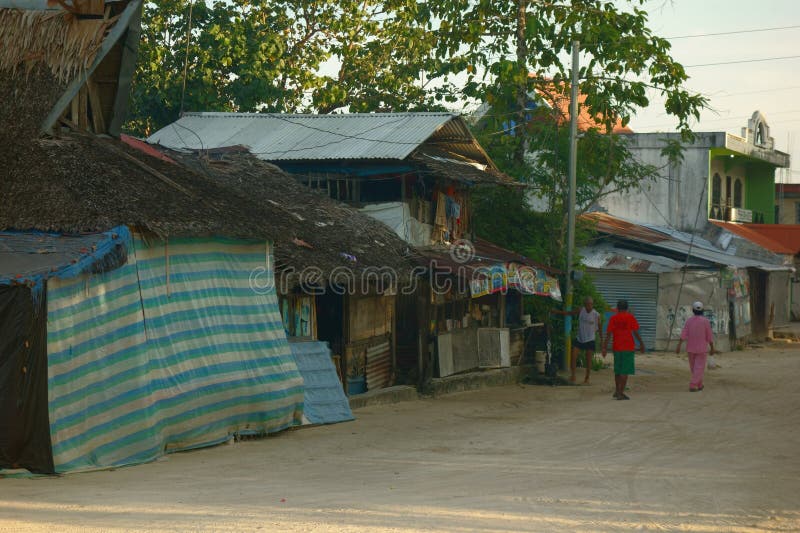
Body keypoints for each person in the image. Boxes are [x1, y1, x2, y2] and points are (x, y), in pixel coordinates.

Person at [551, 297, 602, 384]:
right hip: (580, 338)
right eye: (587, 304)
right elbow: (569, 313)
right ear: (584, 305)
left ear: (592, 305)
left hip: (590, 339)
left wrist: (602, 340)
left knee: (588, 360)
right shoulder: (581, 310)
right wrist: (557, 312)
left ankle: (587, 377)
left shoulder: (596, 315)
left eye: (590, 304)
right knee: (573, 356)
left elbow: (599, 328)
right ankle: (573, 375)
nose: (589, 306)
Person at [601, 300, 645, 400]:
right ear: (627, 308)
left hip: (616, 347)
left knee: (618, 370)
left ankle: (617, 391)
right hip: (628, 347)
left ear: (617, 308)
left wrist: (604, 347)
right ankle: (621, 393)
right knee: (625, 370)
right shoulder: (630, 317)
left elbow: (608, 334)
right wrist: (641, 344)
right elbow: (636, 332)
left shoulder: (613, 318)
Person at [675, 301, 715, 392]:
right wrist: (712, 347)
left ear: (693, 310)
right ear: (703, 310)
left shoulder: (689, 321)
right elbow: (709, 336)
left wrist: (678, 346)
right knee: (699, 368)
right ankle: (693, 385)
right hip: (701, 349)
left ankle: (699, 384)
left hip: (691, 349)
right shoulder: (706, 322)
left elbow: (683, 334)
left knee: (694, 368)